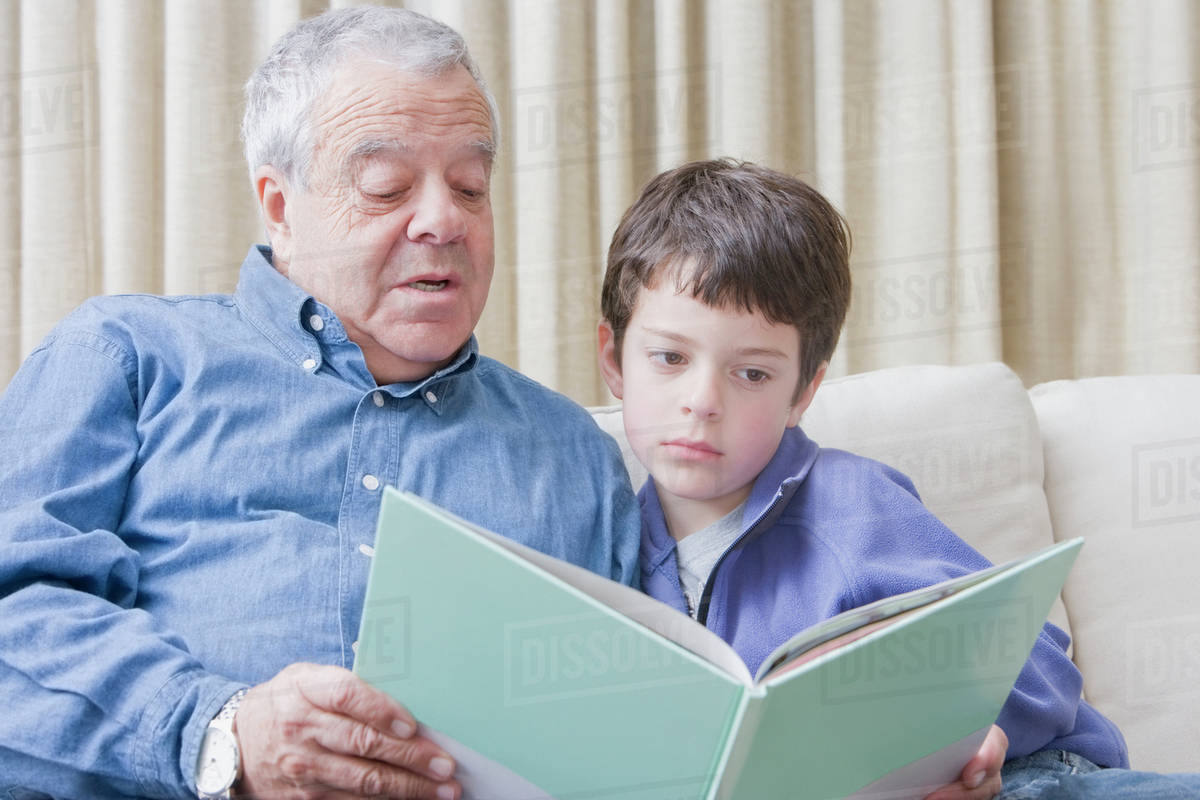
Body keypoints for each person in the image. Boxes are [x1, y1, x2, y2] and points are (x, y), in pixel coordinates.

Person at [0, 7, 640, 800]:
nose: (445, 220)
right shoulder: (126, 359)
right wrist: (219, 736)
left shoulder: (572, 456)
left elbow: (639, 728)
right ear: (279, 206)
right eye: (387, 187)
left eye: (470, 187)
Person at [596, 158, 1200, 799]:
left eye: (752, 374)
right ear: (615, 360)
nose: (701, 401)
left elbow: (1042, 672)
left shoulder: (851, 503)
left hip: (1033, 778)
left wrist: (972, 730)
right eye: (670, 358)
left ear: (802, 393)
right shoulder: (611, 554)